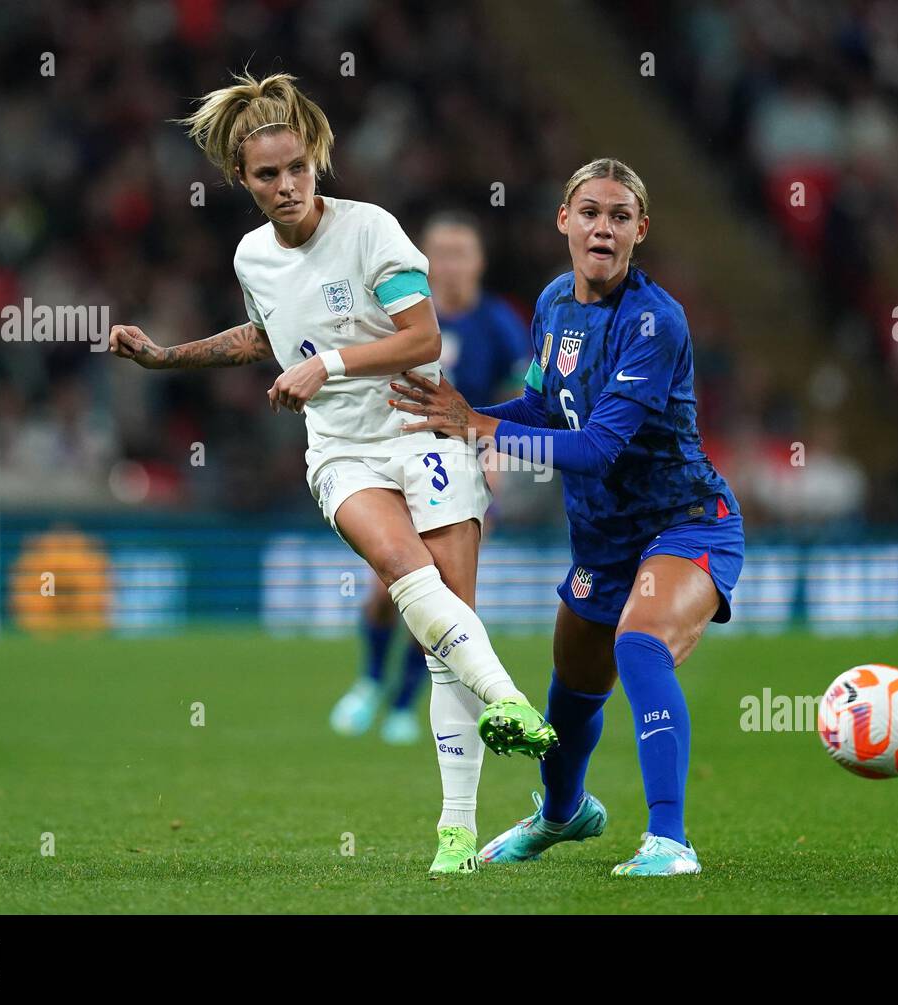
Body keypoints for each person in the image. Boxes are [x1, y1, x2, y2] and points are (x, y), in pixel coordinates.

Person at [108, 70, 555, 876]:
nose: (285, 186)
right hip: (343, 451)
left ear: (316, 161)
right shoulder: (252, 255)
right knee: (402, 571)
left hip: (423, 428)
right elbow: (264, 335)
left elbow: (422, 338)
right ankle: (512, 703)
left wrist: (332, 364)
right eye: (266, 175)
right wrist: (167, 358)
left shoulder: (371, 230)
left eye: (296, 169)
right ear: (240, 181)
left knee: (444, 627)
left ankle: (455, 832)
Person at [390, 157, 744, 876]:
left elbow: (593, 447)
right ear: (565, 220)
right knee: (571, 692)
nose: (603, 227)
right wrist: (460, 417)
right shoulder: (553, 304)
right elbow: (540, 409)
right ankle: (562, 814)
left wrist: (477, 428)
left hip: (683, 521)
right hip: (603, 540)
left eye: (619, 216)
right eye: (590, 212)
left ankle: (670, 841)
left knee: (638, 644)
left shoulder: (655, 320)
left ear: (640, 230)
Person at [330, 211, 530, 745]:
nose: (449, 264)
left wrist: (499, 458)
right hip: (399, 459)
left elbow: (520, 397)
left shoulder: (498, 323)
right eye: (440, 253)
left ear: (479, 263)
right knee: (386, 591)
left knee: (446, 601)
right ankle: (370, 682)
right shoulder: (404, 317)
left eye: (461, 253)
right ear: (423, 260)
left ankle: (402, 704)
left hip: (463, 466)